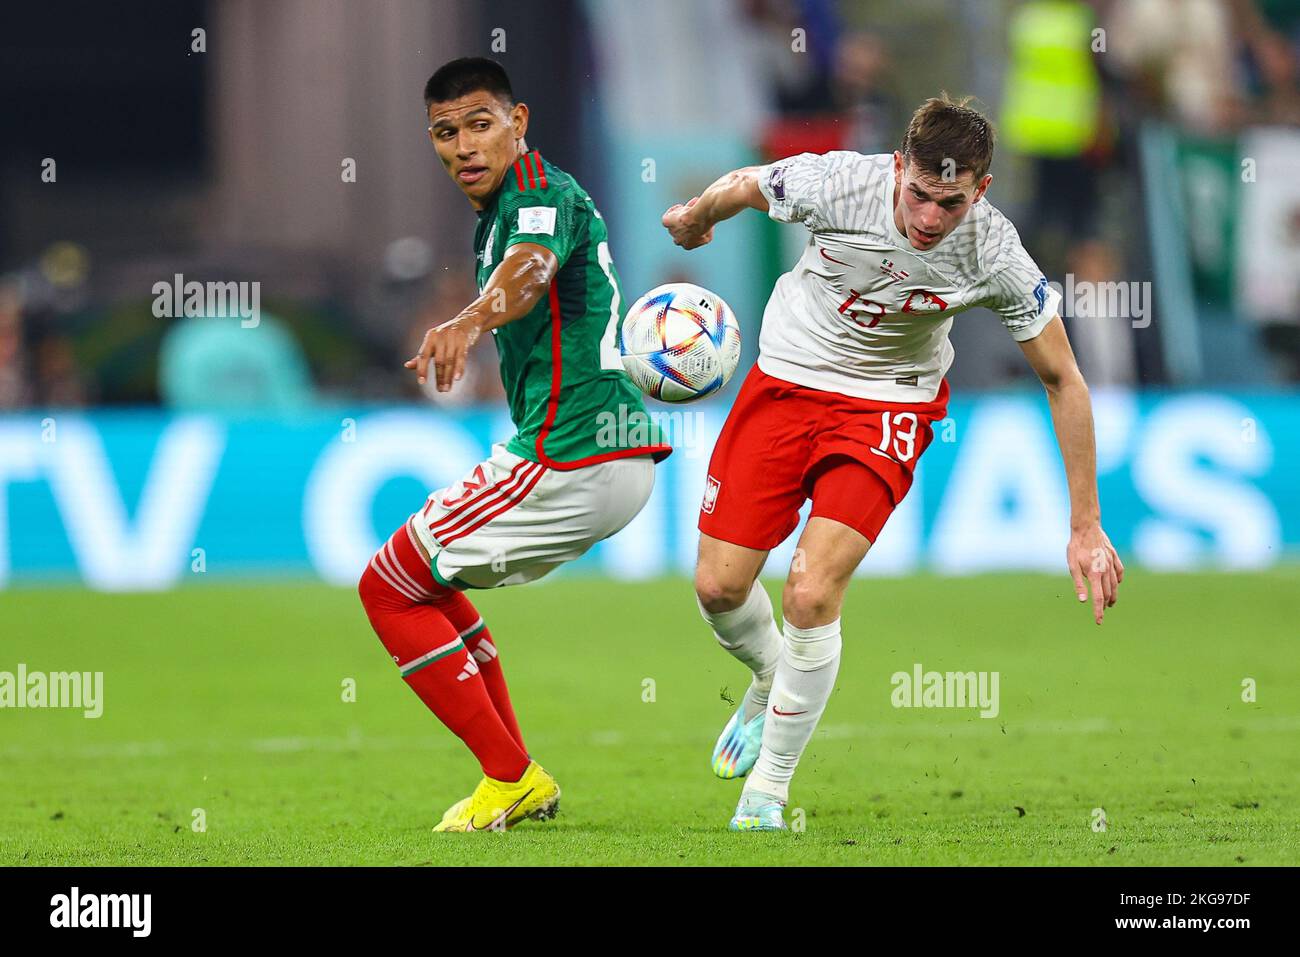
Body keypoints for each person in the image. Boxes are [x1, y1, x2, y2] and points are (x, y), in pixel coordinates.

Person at [662, 94, 1124, 831]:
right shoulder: (839, 182)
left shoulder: (996, 252)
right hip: (785, 378)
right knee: (719, 588)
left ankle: (768, 794)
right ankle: (768, 674)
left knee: (811, 592)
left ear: (982, 190)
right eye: (919, 194)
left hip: (888, 406)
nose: (931, 218)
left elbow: (1063, 378)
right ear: (898, 166)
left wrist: (1086, 524)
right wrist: (700, 215)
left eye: (952, 201)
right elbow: (750, 182)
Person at [358, 57, 670, 833]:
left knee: (387, 585)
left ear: (518, 121)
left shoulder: (535, 189)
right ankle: (516, 776)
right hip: (607, 452)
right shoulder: (507, 205)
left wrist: (465, 319)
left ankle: (509, 774)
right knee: (423, 582)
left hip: (573, 452)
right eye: (444, 131)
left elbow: (530, 272)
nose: (463, 145)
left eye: (479, 123)